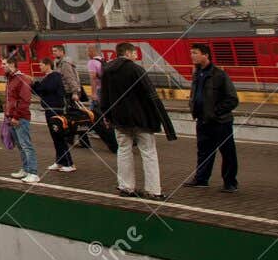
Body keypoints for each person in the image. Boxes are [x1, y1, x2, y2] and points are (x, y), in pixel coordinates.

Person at [100, 42, 175, 199]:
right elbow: (150, 95)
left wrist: (107, 116)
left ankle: (126, 187)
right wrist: (159, 118)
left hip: (119, 120)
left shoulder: (107, 71)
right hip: (141, 119)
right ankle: (154, 190)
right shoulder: (136, 69)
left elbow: (104, 96)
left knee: (124, 150)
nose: (136, 56)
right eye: (134, 53)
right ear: (127, 53)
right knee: (148, 153)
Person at [183, 42, 239, 193]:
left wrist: (215, 112)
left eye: (195, 53)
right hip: (202, 120)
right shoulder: (197, 74)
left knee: (227, 152)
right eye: (192, 53)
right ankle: (201, 179)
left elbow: (232, 99)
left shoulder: (219, 75)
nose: (192, 56)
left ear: (205, 55)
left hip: (221, 122)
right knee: (203, 151)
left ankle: (230, 183)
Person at [1, 54, 38, 184]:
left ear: (12, 65)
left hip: (20, 118)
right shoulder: (10, 79)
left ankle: (33, 172)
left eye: (4, 64)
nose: (2, 66)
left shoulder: (21, 79)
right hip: (12, 117)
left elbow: (24, 101)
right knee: (20, 146)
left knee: (26, 145)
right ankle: (26, 169)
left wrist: (16, 116)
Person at [31, 66, 75, 172]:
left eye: (41, 64)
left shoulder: (54, 76)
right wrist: (34, 85)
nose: (40, 66)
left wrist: (36, 84)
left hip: (55, 110)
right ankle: (60, 161)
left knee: (59, 137)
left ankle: (69, 163)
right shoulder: (49, 77)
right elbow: (40, 91)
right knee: (55, 138)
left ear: (47, 65)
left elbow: (46, 88)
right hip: (50, 109)